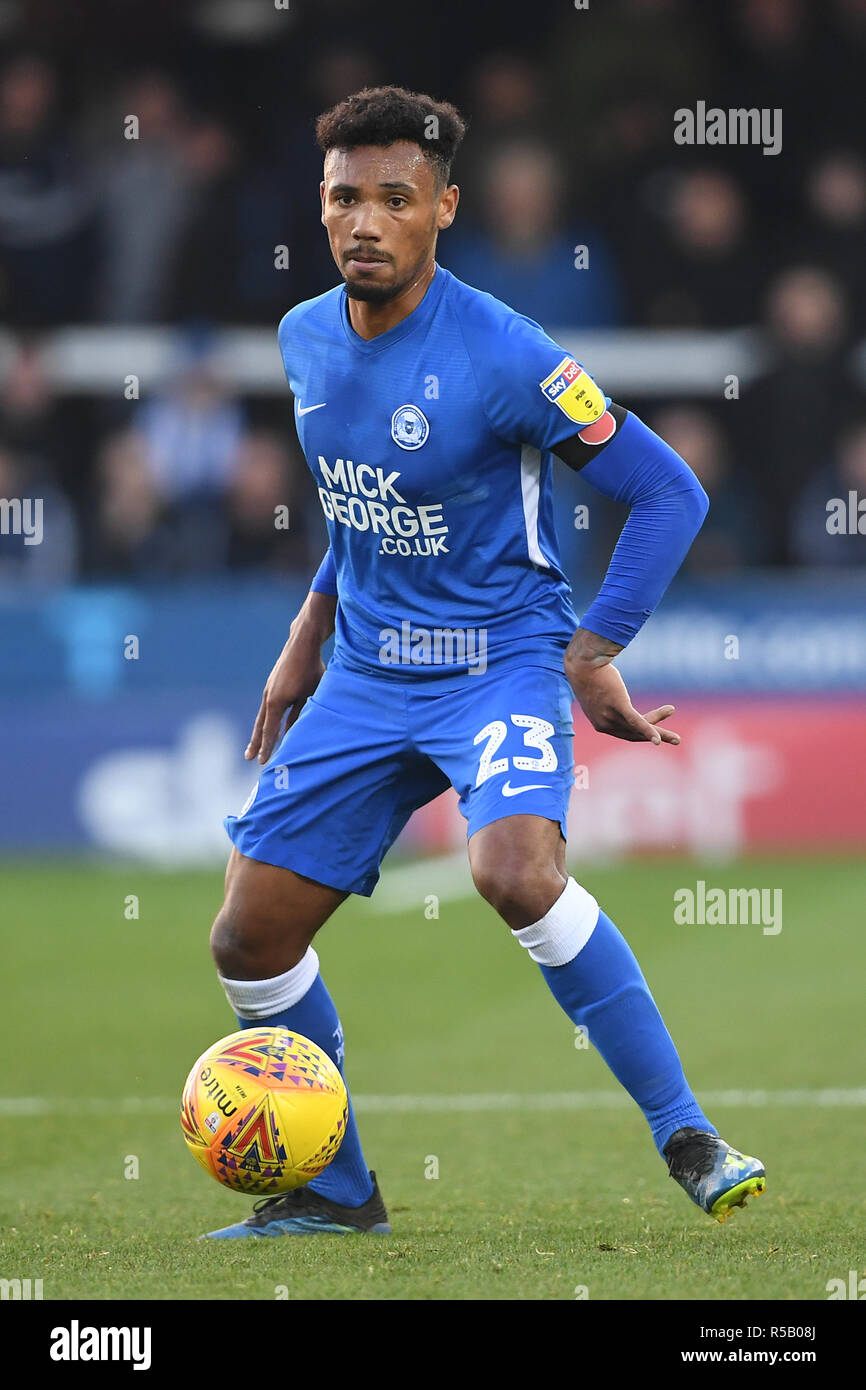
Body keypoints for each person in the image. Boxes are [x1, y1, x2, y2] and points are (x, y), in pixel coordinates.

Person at [203, 86, 765, 1239]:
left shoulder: (509, 354)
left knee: (513, 870)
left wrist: (593, 643)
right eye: (343, 197)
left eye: (392, 199)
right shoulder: (302, 336)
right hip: (364, 667)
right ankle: (337, 1192)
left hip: (496, 662)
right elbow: (353, 515)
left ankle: (687, 1135)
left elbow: (667, 492)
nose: (364, 221)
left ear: (443, 209)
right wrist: (302, 642)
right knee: (246, 937)